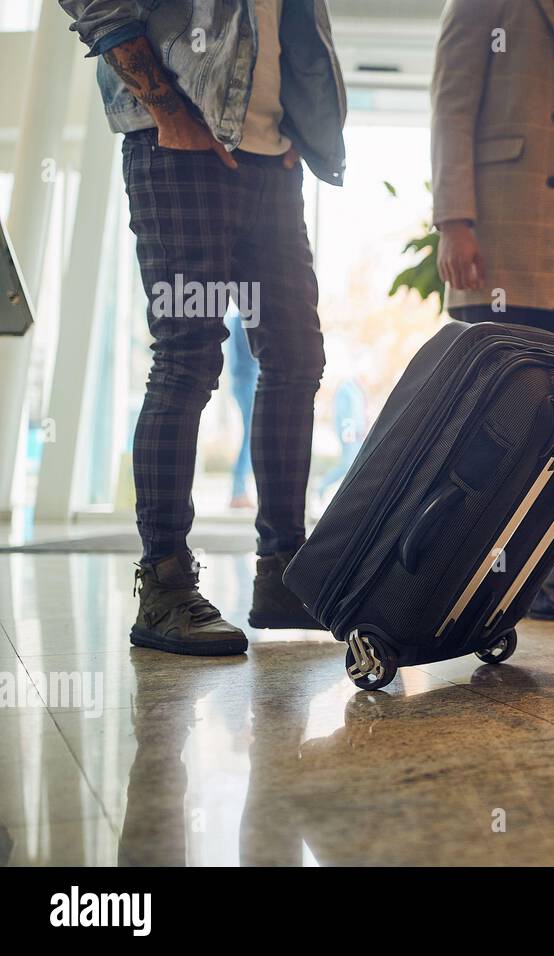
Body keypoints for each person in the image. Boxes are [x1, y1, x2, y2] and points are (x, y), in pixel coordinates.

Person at [61, 0, 348, 654]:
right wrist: (167, 108)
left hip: (272, 157)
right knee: (188, 358)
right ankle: (163, 586)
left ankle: (283, 574)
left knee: (297, 360)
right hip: (180, 146)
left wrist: (294, 138)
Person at [431, 0, 554, 621]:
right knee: (489, 428)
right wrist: (453, 222)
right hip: (501, 245)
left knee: (549, 429)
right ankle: (445, 573)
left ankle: (517, 581)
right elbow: (450, 108)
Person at [223, 311, 258, 510]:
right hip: (249, 380)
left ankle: (239, 490)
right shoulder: (247, 315)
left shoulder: (237, 317)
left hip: (242, 380)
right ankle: (238, 492)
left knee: (250, 435)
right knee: (251, 436)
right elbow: (255, 351)